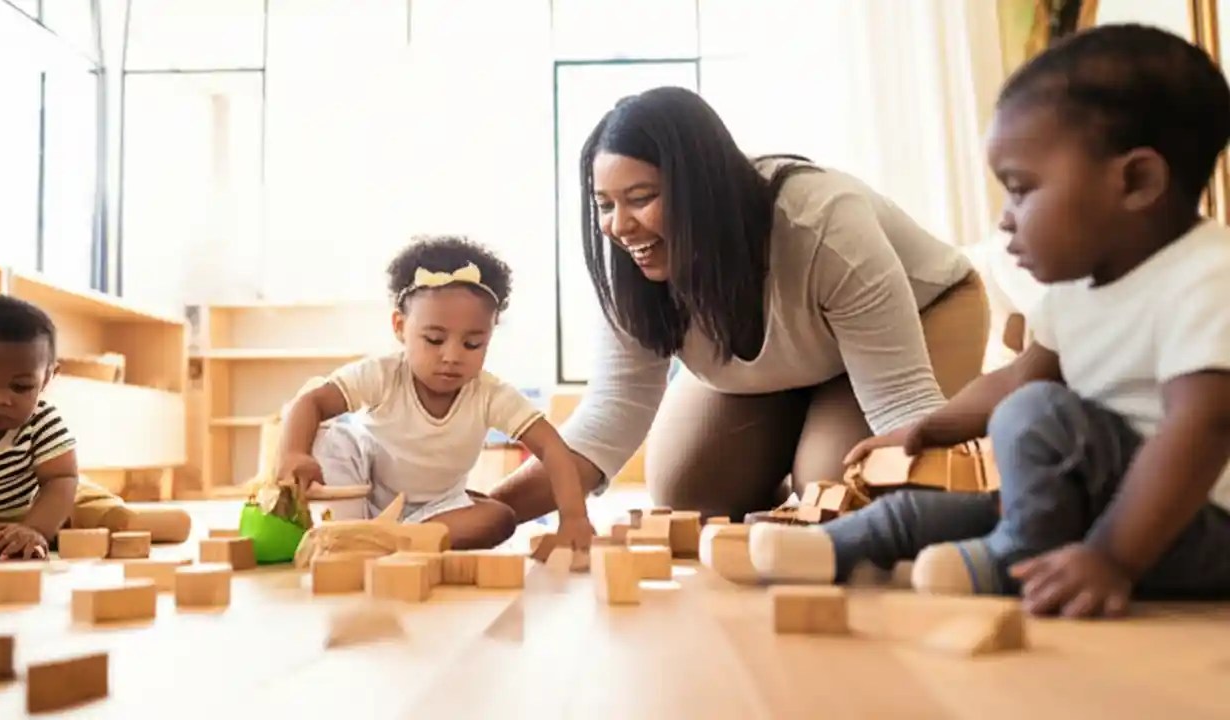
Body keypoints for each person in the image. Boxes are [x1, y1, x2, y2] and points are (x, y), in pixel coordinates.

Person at [747, 23, 1230, 618]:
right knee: (923, 507)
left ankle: (1010, 560)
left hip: (1197, 524)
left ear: (1136, 181)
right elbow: (1017, 377)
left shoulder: (1207, 280)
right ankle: (830, 550)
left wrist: (1111, 557)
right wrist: (928, 427)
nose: (1005, 220)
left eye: (1021, 191)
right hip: (1105, 506)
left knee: (1038, 417)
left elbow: (1202, 428)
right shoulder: (1077, 288)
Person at [491, 86, 988, 522]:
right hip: (792, 357)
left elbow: (902, 405)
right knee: (687, 493)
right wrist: (487, 513)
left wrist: (977, 493)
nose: (619, 226)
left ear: (699, 190)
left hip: (927, 314)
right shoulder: (631, 257)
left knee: (833, 490)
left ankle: (812, 471)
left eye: (641, 197)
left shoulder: (822, 225)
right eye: (604, 204)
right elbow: (607, 420)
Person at [276, 236, 594, 550]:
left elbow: (552, 447)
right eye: (434, 340)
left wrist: (574, 517)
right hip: (361, 497)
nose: (452, 356)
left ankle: (387, 541)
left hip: (437, 512)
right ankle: (356, 531)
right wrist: (294, 455)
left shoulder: (489, 393)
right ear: (400, 327)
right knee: (325, 436)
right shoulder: (383, 374)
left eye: (472, 344)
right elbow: (311, 402)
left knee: (498, 517)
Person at [0, 294, 78, 560]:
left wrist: (34, 529)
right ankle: (1, 541)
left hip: (25, 516)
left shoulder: (41, 421)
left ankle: (21, 540)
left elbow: (61, 479)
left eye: (21, 387)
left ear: (46, 380)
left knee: (81, 505)